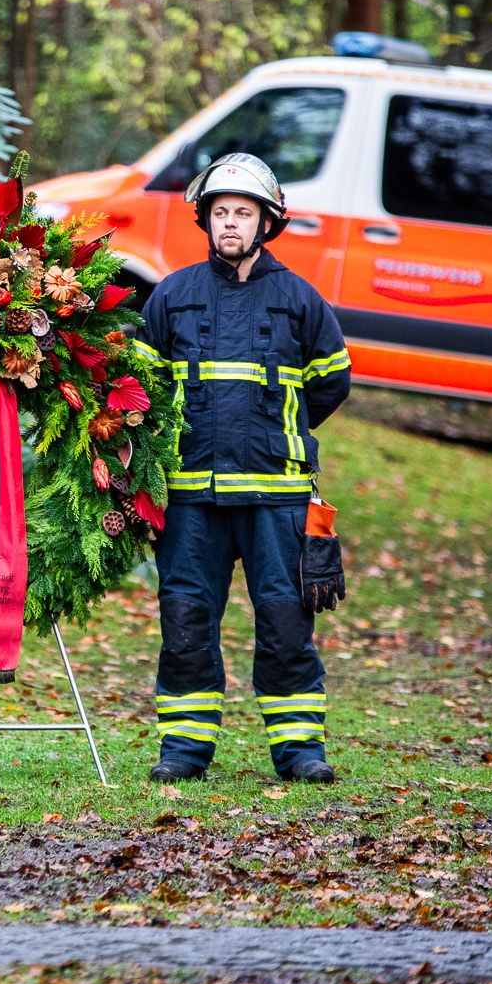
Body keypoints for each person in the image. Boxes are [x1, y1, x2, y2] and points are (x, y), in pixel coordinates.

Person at [133, 153, 351, 784]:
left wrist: (278, 433)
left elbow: (330, 385)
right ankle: (184, 749)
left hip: (276, 495)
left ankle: (300, 749)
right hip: (191, 497)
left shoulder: (298, 300)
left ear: (267, 222)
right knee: (186, 617)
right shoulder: (172, 297)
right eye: (221, 213)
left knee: (286, 620)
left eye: (243, 213)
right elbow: (142, 393)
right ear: (206, 220)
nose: (231, 224)